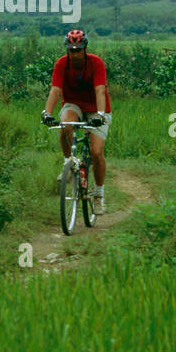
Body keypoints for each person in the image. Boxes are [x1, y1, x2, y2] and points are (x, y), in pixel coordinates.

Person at [41, 28, 111, 213]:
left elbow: (100, 91)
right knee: (65, 126)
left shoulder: (96, 63)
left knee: (96, 152)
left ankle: (99, 194)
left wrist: (101, 115)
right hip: (73, 104)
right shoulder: (61, 64)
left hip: (96, 108)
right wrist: (47, 113)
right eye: (71, 50)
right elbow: (55, 91)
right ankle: (68, 163)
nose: (75, 54)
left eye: (78, 49)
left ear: (84, 48)